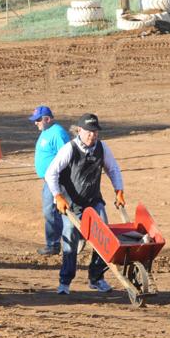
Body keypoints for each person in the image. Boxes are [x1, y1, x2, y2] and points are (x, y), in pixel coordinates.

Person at [45, 113, 125, 295]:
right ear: (79, 130)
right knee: (70, 239)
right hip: (71, 204)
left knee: (104, 238)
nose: (92, 135)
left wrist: (119, 191)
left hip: (93, 200)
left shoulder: (102, 148)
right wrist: (58, 196)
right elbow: (51, 173)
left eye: (95, 132)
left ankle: (96, 278)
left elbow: (113, 169)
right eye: (89, 131)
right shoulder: (69, 149)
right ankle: (65, 282)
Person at [30, 105, 71, 256]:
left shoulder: (58, 133)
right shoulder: (46, 131)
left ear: (47, 119)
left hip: (57, 180)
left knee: (54, 211)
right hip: (49, 180)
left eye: (38, 120)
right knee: (51, 211)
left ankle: (58, 244)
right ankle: (54, 244)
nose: (35, 123)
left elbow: (67, 156)